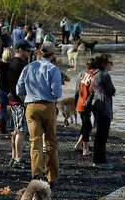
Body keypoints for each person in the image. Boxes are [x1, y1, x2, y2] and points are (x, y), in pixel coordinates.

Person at [16, 42, 62, 185]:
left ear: (40, 52)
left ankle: (37, 174)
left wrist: (27, 100)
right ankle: (52, 176)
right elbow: (57, 93)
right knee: (50, 141)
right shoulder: (53, 69)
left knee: (34, 141)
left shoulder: (28, 67)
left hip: (30, 105)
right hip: (47, 105)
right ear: (52, 54)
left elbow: (19, 89)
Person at [6, 41, 31, 167]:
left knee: (15, 130)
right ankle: (18, 159)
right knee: (21, 131)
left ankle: (13, 156)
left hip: (12, 99)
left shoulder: (11, 63)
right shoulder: (20, 65)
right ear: (20, 50)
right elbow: (23, 84)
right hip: (19, 100)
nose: (28, 53)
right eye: (27, 50)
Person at [89, 55, 116, 167]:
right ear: (104, 64)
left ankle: (97, 159)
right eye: (110, 62)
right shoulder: (105, 75)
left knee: (98, 134)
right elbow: (112, 91)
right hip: (104, 106)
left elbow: (90, 90)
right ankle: (101, 161)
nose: (111, 65)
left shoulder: (94, 74)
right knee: (103, 135)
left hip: (96, 105)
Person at [73, 57, 97, 157]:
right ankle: (85, 149)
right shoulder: (93, 77)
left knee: (86, 125)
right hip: (85, 105)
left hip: (79, 102)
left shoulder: (83, 75)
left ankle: (78, 145)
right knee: (87, 126)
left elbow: (78, 90)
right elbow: (91, 93)